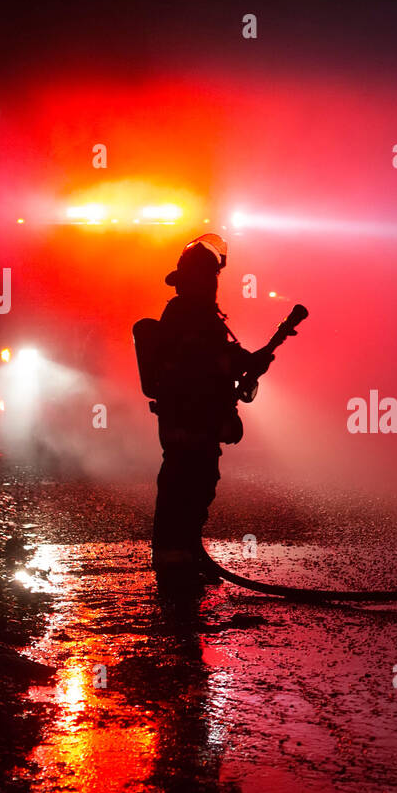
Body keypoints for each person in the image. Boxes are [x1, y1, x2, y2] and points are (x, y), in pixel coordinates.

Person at [149, 234, 271, 581]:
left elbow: (214, 358)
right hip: (189, 412)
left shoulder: (193, 311)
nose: (214, 283)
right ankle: (177, 562)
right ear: (200, 278)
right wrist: (247, 361)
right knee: (186, 480)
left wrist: (247, 361)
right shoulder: (189, 313)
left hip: (190, 411)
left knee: (192, 480)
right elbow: (203, 360)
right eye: (211, 276)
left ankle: (184, 555)